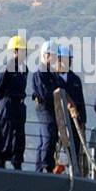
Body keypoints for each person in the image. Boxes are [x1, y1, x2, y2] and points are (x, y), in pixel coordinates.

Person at [0, 34, 29, 170]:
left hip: (19, 105)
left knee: (19, 136)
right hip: (8, 104)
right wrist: (2, 102)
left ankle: (17, 161)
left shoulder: (24, 69)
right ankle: (1, 161)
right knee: (6, 133)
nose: (25, 54)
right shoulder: (7, 67)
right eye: (22, 51)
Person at [30, 40, 63, 173]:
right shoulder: (40, 73)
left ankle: (41, 167)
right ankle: (46, 166)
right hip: (44, 108)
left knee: (45, 138)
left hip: (52, 108)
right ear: (45, 55)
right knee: (49, 135)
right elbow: (45, 93)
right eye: (53, 55)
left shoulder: (52, 74)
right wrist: (56, 94)